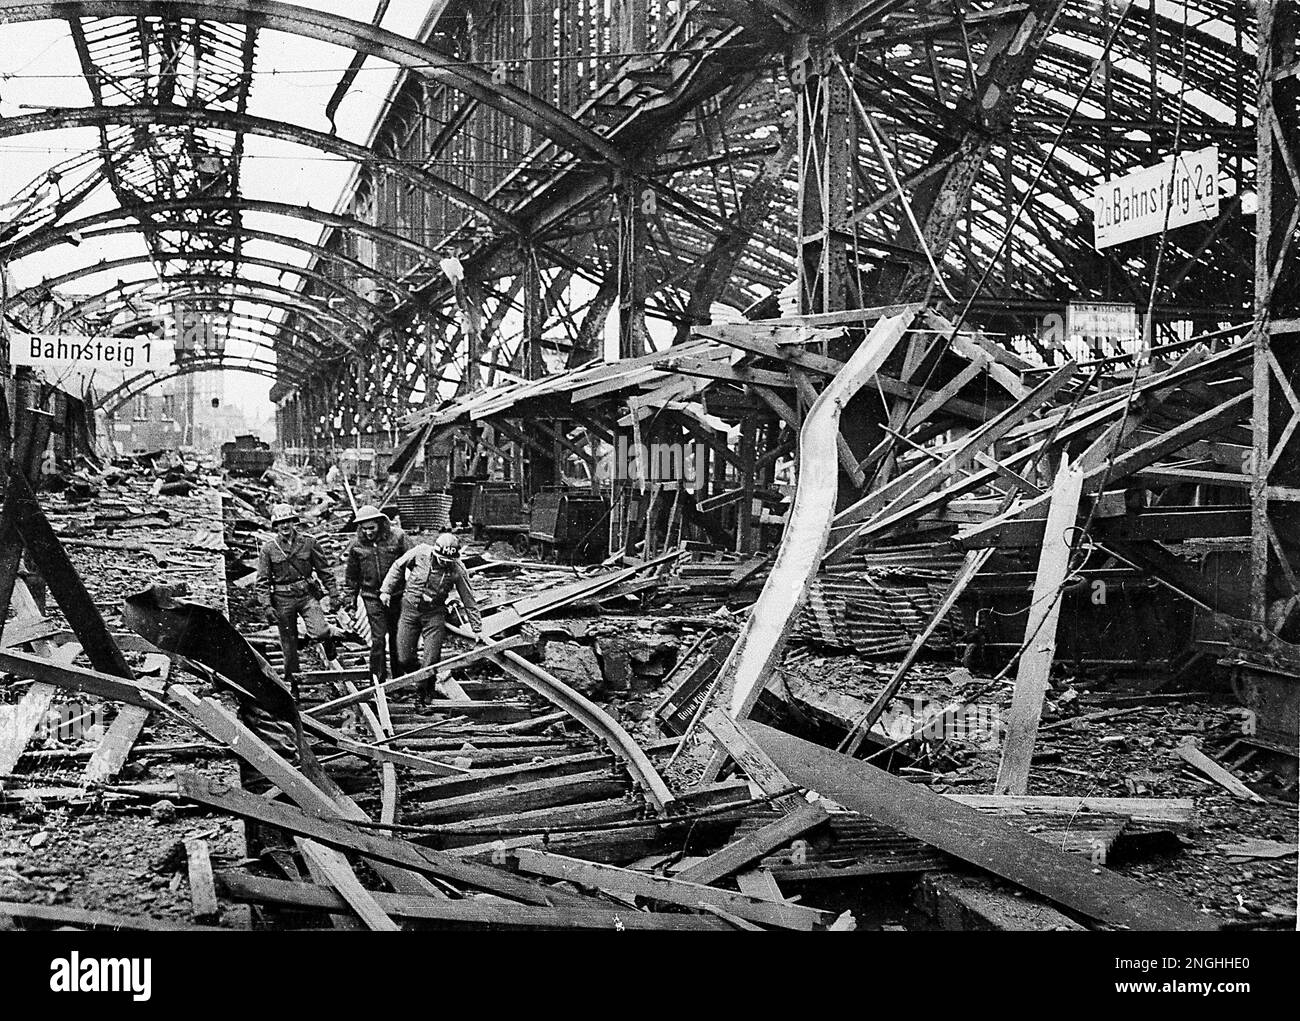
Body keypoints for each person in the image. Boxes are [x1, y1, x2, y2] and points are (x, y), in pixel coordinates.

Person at [380, 531, 484, 699]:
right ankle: (423, 676)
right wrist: (386, 590)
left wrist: (477, 629)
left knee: (431, 658)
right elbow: (398, 566)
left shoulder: (458, 569)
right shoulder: (420, 552)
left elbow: (469, 599)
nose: (444, 563)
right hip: (410, 610)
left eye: (448, 561)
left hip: (434, 614)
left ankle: (425, 693)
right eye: (441, 559)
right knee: (404, 658)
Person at [255, 503, 341, 699]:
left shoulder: (309, 543)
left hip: (306, 595)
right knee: (289, 644)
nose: (285, 526)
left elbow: (324, 571)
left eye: (288, 521)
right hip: (282, 600)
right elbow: (262, 580)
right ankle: (293, 683)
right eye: (280, 523)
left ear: (294, 522)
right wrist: (266, 606)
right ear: (275, 526)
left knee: (320, 630)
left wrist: (334, 593)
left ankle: (327, 640)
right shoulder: (269, 549)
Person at [338, 504, 411, 683]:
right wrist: (350, 603)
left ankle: (399, 679)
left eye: (371, 528)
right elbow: (351, 577)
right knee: (378, 638)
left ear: (380, 523)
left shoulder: (398, 537)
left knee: (397, 637)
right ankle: (377, 680)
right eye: (364, 529)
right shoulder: (356, 545)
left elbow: (416, 560)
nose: (368, 532)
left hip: (396, 595)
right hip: (372, 597)